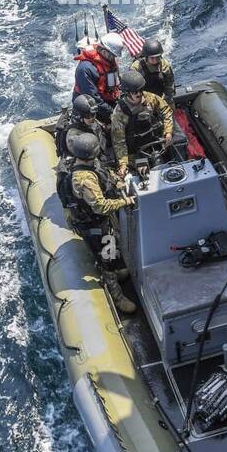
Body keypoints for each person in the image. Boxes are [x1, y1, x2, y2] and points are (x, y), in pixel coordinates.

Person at [62, 131, 137, 315]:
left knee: (113, 247)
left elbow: (105, 176)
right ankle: (117, 294)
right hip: (94, 224)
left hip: (98, 221)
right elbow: (100, 206)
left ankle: (117, 273)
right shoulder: (84, 179)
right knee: (107, 258)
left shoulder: (86, 165)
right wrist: (125, 201)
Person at [110, 70, 175, 176]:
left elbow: (166, 111)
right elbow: (119, 142)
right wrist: (123, 164)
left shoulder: (150, 99)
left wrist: (168, 132)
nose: (139, 94)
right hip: (135, 152)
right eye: (135, 92)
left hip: (157, 143)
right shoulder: (119, 113)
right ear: (127, 92)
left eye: (141, 90)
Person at [73, 31, 125, 108]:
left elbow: (117, 83)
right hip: (90, 107)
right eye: (112, 55)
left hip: (108, 99)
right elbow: (93, 99)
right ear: (103, 50)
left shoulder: (110, 62)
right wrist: (111, 113)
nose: (114, 58)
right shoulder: (85, 69)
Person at [54, 94, 109, 160]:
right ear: (79, 117)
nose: (93, 118)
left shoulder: (89, 122)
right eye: (88, 115)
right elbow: (85, 159)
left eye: (93, 114)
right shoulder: (74, 136)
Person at [132, 38, 175, 103]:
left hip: (161, 97)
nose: (155, 61)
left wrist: (168, 97)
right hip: (143, 99)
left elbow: (170, 82)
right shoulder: (137, 67)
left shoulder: (164, 65)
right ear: (146, 57)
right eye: (152, 58)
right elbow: (133, 87)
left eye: (157, 57)